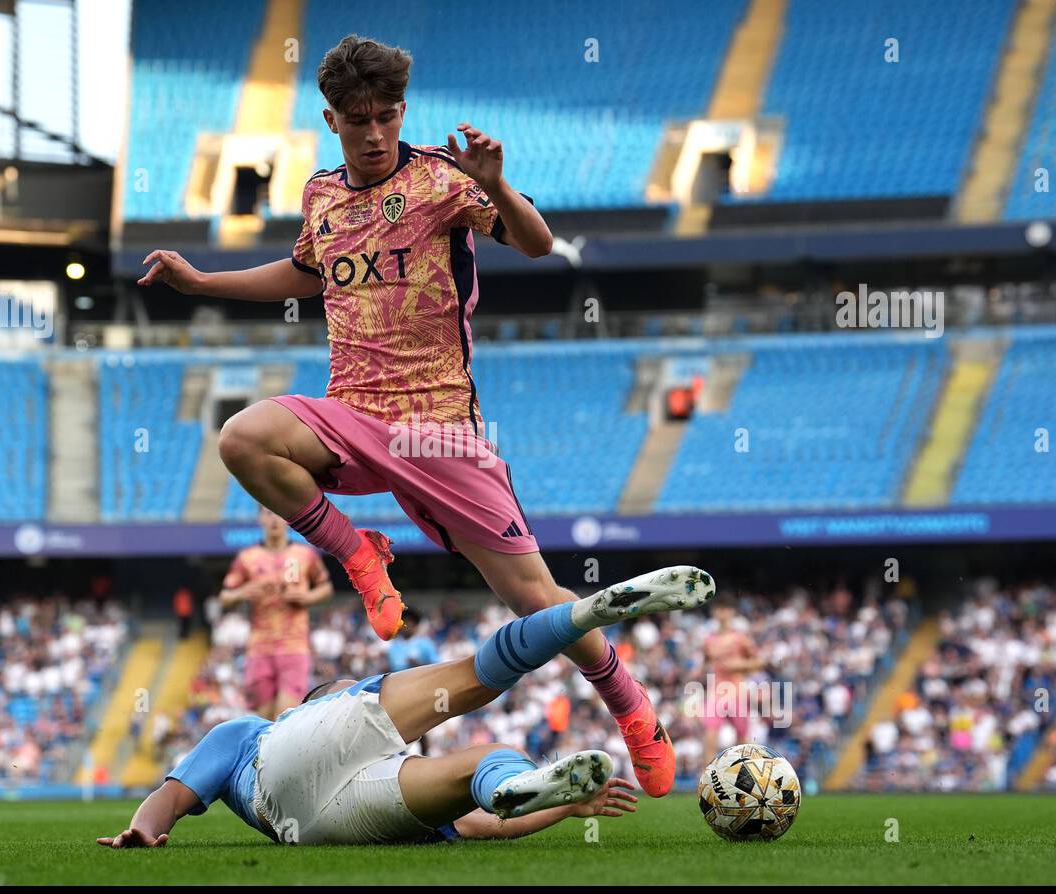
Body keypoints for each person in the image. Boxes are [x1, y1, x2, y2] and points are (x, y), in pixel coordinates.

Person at [137, 34, 681, 798]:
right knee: (243, 437)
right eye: (356, 118)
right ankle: (360, 555)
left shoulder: (442, 180)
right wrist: (203, 284)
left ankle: (630, 705)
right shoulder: (321, 194)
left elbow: (536, 243)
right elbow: (302, 272)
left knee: (536, 598)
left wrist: (500, 183)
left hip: (438, 427)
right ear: (331, 119)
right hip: (352, 412)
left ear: (401, 112)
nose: (372, 132)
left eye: (386, 115)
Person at [98, 564, 714, 847]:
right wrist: (149, 822)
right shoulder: (256, 728)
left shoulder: (237, 739)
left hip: (315, 827)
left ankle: (520, 778)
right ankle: (580, 615)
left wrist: (564, 806)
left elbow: (482, 821)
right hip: (305, 773)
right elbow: (172, 795)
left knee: (486, 768)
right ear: (317, 700)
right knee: (473, 679)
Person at [219, 508, 333, 720]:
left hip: (294, 645)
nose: (274, 518)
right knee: (261, 720)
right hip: (259, 648)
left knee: (285, 716)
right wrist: (243, 592)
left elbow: (325, 588)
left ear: (287, 519)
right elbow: (225, 596)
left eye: (278, 512)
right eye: (268, 513)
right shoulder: (247, 558)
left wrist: (306, 597)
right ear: (260, 518)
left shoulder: (304, 554)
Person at [701, 604, 765, 761]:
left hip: (737, 692)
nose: (722, 612)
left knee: (742, 739)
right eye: (719, 608)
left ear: (732, 611)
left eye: (725, 608)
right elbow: (706, 663)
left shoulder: (741, 638)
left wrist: (739, 665)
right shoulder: (709, 640)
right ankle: (707, 778)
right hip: (716, 692)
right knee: (710, 736)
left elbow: (759, 662)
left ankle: (741, 777)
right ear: (714, 612)